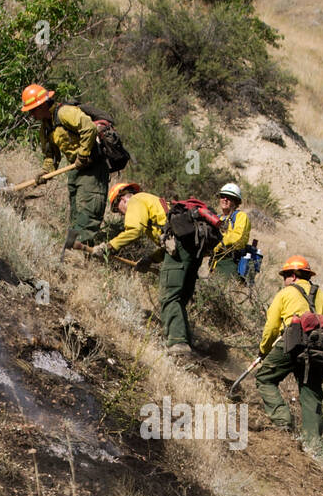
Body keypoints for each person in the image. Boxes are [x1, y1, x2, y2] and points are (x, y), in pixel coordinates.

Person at [91, 182, 200, 360]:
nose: (120, 214)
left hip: (180, 246)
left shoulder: (136, 200)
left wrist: (109, 246)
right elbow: (168, 243)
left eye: (117, 209)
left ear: (122, 198)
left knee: (169, 296)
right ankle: (185, 341)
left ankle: (178, 345)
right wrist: (150, 259)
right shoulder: (154, 202)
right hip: (193, 248)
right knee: (179, 297)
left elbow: (135, 230)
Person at [255, 254, 323, 442]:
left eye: (285, 275)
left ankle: (282, 420)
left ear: (294, 275)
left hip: (290, 345)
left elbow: (271, 327)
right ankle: (312, 442)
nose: (284, 280)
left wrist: (264, 350)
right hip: (317, 350)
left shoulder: (285, 293)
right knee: (311, 392)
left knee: (264, 378)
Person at [20, 84, 110, 251]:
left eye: (33, 110)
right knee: (76, 214)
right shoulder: (45, 129)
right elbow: (50, 155)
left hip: (93, 168)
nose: (31, 115)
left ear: (42, 105)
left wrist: (83, 155)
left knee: (89, 211)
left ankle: (82, 253)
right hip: (74, 170)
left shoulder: (65, 113)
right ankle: (71, 248)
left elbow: (89, 128)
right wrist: (46, 172)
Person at [208, 182, 251, 278]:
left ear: (236, 201)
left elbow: (239, 238)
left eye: (229, 197)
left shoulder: (240, 216)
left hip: (230, 263)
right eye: (223, 196)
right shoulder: (217, 218)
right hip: (214, 264)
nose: (225, 199)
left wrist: (219, 243)